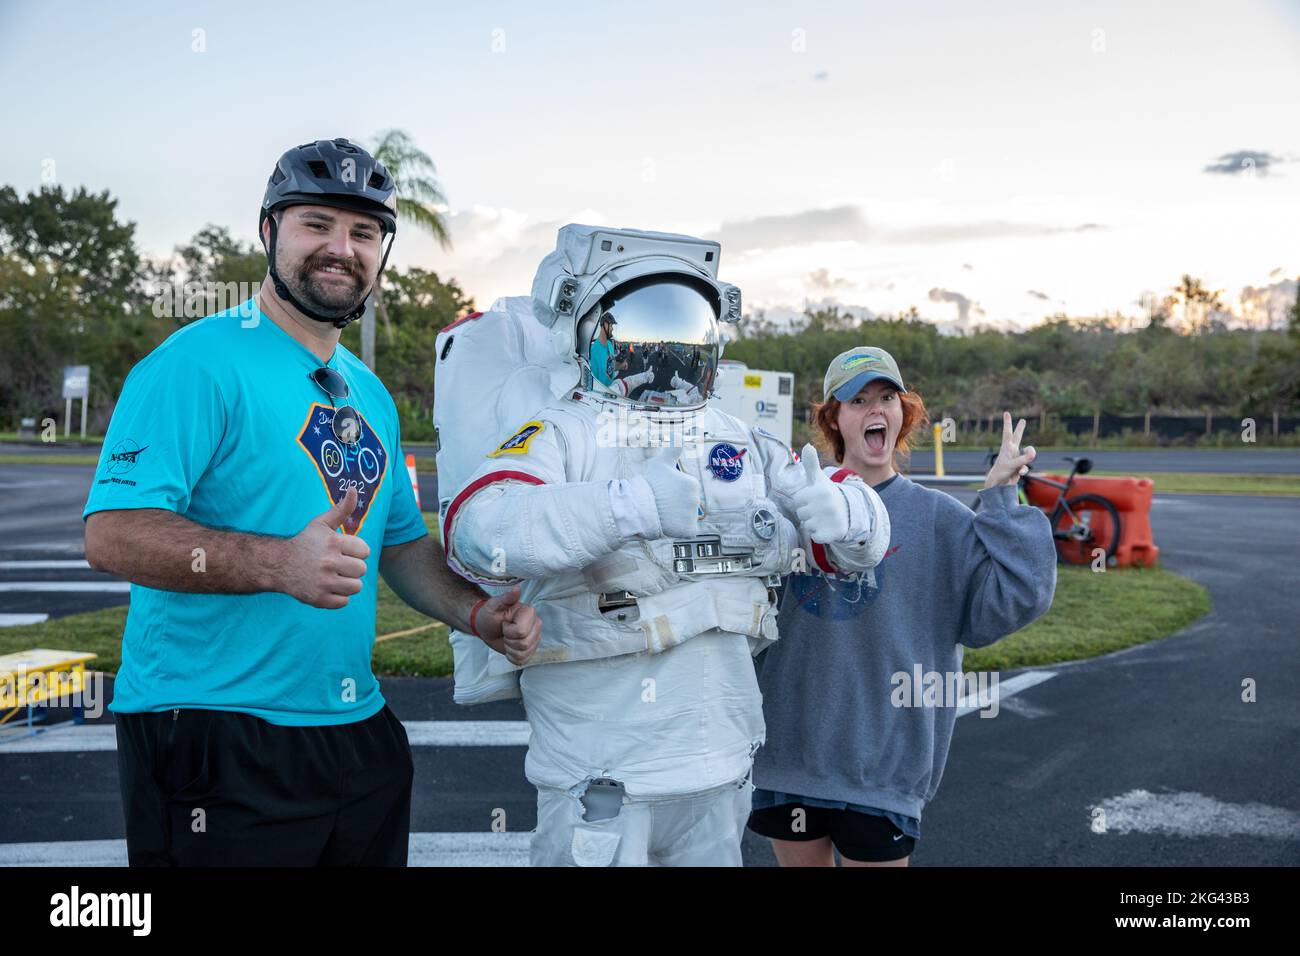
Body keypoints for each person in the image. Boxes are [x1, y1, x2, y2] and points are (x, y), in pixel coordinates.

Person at [83, 137, 540, 866]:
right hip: (214, 728)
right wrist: (276, 564)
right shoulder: (194, 364)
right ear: (269, 232)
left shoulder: (371, 392)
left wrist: (475, 611)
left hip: (355, 731)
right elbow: (112, 534)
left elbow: (397, 542)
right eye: (317, 224)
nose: (341, 247)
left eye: (364, 232)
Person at [443, 224, 892, 866]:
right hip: (598, 777)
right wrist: (636, 504)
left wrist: (848, 512)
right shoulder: (564, 432)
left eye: (686, 336)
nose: (670, 359)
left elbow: (850, 543)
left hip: (720, 767)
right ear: (596, 339)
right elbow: (479, 528)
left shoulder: (734, 437)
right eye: (650, 335)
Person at [747, 346, 1057, 866]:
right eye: (858, 400)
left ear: (902, 413)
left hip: (883, 768)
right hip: (788, 756)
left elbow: (1017, 597)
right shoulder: (792, 505)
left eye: (887, 398)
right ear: (834, 419)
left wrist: (1001, 500)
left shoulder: (940, 519)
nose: (875, 409)